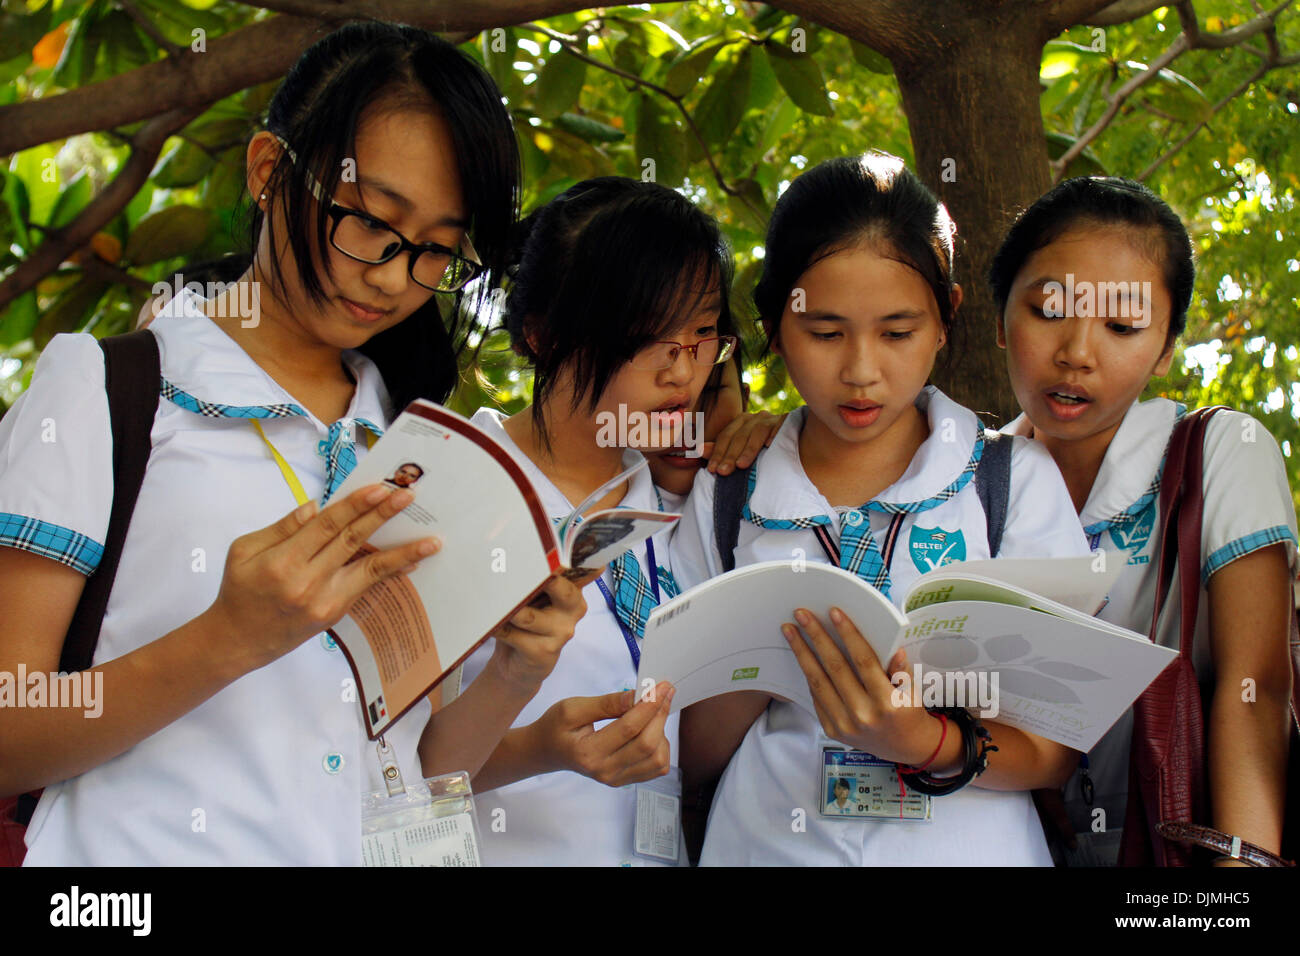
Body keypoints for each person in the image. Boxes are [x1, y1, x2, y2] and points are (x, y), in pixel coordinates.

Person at [0, 22, 587, 866]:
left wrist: (515, 671)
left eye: (435, 251)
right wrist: (227, 638)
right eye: (370, 222)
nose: (390, 275)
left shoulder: (417, 443)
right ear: (271, 171)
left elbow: (413, 777)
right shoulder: (107, 389)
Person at [672, 152, 1092, 866]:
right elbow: (684, 753)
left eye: (897, 333)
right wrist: (767, 663)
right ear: (774, 324)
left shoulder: (1011, 483)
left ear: (946, 319)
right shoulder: (727, 491)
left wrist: (921, 742)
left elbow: (1056, 751)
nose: (862, 370)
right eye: (826, 333)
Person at [989, 176, 1296, 865]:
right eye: (1046, 310)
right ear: (998, 320)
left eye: (1122, 327)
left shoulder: (1220, 452)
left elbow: (1258, 686)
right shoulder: (962, 481)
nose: (1076, 351)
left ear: (1164, 351)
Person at [459, 176, 736, 865]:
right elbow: (385, 763)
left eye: (702, 335)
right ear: (542, 335)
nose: (682, 371)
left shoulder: (684, 508)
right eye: (645, 337)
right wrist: (539, 750)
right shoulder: (452, 494)